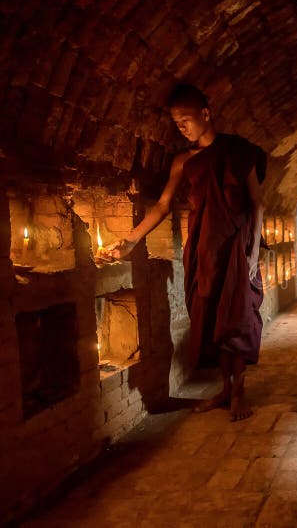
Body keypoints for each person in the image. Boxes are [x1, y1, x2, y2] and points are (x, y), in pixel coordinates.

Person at [105, 84, 266, 421]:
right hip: (203, 250)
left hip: (236, 248)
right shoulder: (183, 161)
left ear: (205, 114)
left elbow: (257, 204)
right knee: (210, 320)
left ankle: (238, 393)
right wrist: (130, 241)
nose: (182, 128)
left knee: (236, 318)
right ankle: (224, 389)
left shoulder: (240, 152)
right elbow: (163, 205)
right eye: (177, 123)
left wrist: (252, 254)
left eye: (186, 120)